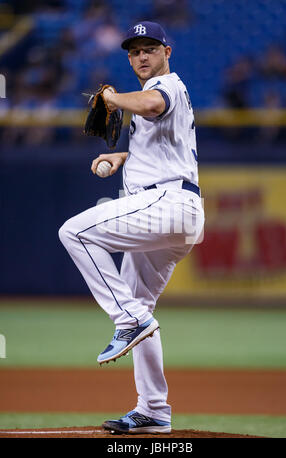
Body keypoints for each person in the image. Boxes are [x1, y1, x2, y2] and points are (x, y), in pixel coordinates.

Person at [59, 21, 204, 434]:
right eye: (134, 51)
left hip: (167, 204)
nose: (142, 56)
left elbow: (153, 104)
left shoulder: (168, 86)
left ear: (166, 52)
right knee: (142, 305)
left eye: (150, 48)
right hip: (174, 208)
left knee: (74, 232)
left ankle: (129, 319)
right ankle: (154, 410)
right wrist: (124, 158)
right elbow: (166, 145)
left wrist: (111, 97)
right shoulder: (155, 96)